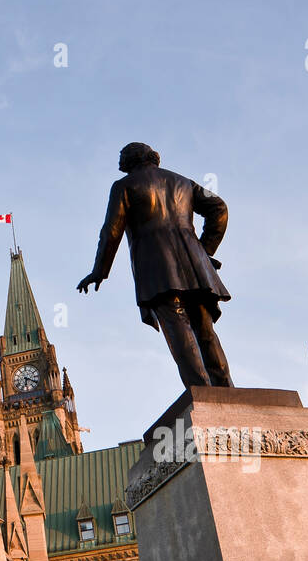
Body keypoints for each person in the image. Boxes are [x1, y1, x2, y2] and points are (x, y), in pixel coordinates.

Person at [77, 142, 233, 388]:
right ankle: (226, 390)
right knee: (206, 332)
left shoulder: (124, 186)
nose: (119, 162)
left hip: (158, 268)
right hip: (195, 267)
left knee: (179, 331)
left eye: (122, 157)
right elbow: (219, 208)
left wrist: (99, 271)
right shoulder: (182, 181)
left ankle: (202, 392)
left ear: (132, 159)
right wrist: (204, 250)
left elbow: (111, 231)